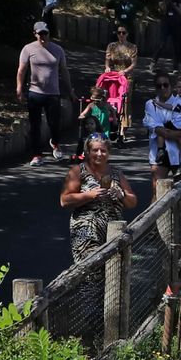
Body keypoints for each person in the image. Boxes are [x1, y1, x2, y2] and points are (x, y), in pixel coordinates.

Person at [60, 134, 137, 262]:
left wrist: (121, 195)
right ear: (88, 152)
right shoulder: (78, 171)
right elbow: (64, 200)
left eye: (103, 150)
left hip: (113, 230)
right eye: (95, 150)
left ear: (109, 152)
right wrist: (89, 195)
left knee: (114, 266)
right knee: (91, 266)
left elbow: (132, 202)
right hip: (86, 231)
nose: (99, 154)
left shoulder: (116, 173)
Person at [17, 22, 72, 164]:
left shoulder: (57, 50)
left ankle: (55, 143)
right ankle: (37, 155)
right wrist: (19, 88)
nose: (43, 37)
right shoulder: (28, 49)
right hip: (35, 92)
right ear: (35, 34)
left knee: (54, 123)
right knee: (35, 125)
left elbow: (64, 70)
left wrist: (70, 90)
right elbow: (21, 70)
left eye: (45, 33)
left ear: (49, 33)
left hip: (53, 93)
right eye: (40, 34)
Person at [143, 75, 181, 192]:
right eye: (159, 86)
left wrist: (180, 132)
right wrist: (180, 137)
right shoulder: (151, 104)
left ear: (170, 86)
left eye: (165, 85)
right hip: (159, 154)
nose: (163, 88)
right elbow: (158, 129)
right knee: (157, 192)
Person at [78, 86, 117, 159]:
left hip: (104, 127)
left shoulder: (106, 105)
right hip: (94, 127)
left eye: (97, 100)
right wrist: (82, 115)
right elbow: (84, 113)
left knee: (104, 141)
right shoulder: (91, 105)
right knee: (93, 141)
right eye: (94, 100)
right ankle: (90, 153)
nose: (96, 102)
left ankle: (103, 154)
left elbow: (113, 110)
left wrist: (114, 119)